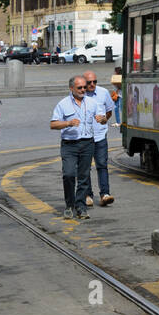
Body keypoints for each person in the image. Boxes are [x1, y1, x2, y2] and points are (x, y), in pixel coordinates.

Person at [50, 74, 104, 220]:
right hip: (69, 144)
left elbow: (103, 118)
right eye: (79, 87)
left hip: (87, 143)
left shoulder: (92, 102)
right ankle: (69, 205)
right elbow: (53, 124)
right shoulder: (63, 104)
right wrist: (67, 123)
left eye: (84, 87)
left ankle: (81, 207)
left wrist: (102, 119)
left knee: (84, 176)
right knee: (68, 174)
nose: (83, 90)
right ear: (71, 88)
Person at [82, 70, 116, 207]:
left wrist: (104, 119)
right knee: (85, 168)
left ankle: (105, 194)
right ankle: (88, 195)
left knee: (102, 165)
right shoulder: (79, 94)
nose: (92, 84)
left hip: (100, 135)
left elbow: (109, 111)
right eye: (89, 82)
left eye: (94, 82)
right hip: (85, 136)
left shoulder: (103, 93)